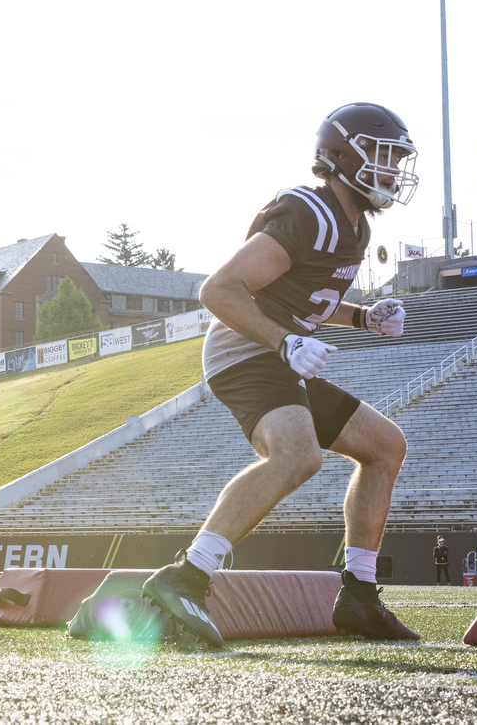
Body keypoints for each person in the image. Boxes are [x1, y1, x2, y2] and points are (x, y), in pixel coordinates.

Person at [142, 104, 421, 648]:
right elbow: (219, 290)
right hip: (244, 350)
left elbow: (309, 299)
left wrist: (363, 316)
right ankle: (186, 576)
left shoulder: (354, 227)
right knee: (297, 456)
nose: (392, 172)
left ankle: (359, 595)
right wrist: (284, 341)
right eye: (384, 157)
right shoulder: (306, 212)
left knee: (386, 447)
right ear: (345, 156)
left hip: (280, 352)